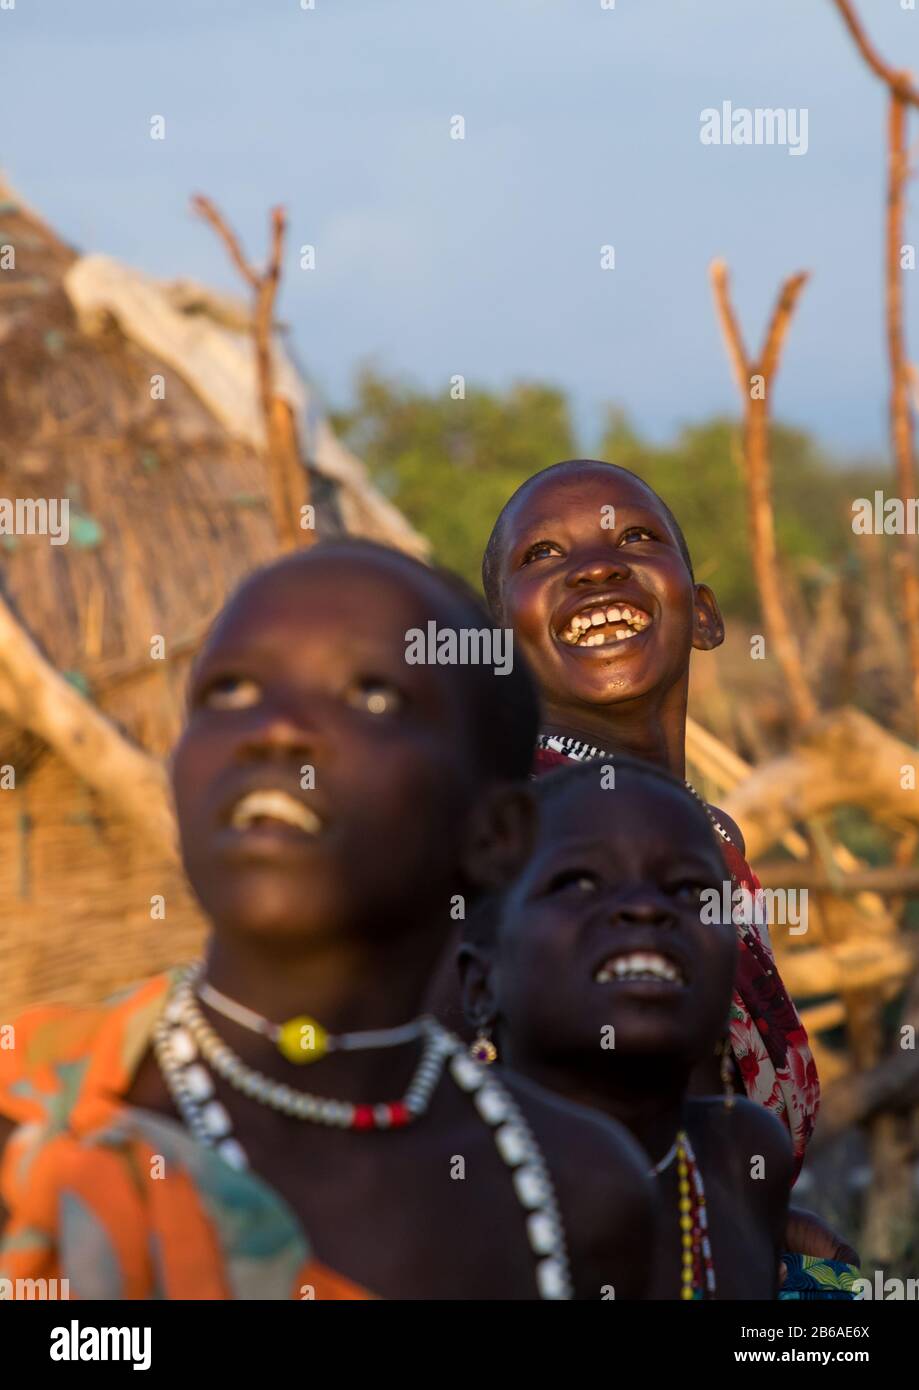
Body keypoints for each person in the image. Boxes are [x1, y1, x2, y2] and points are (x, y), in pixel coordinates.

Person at [0, 539, 655, 1300]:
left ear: (494, 834)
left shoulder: (578, 1188)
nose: (275, 731)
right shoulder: (34, 1129)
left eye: (372, 696)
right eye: (231, 691)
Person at [479, 458, 820, 1170]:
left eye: (634, 540)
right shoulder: (518, 838)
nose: (596, 570)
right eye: (542, 554)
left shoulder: (709, 835)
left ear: (702, 613)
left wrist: (765, 1219)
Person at [461, 756, 813, 1299]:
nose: (646, 909)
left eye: (688, 890)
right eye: (579, 882)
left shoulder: (740, 1160)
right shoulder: (429, 1187)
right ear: (480, 980)